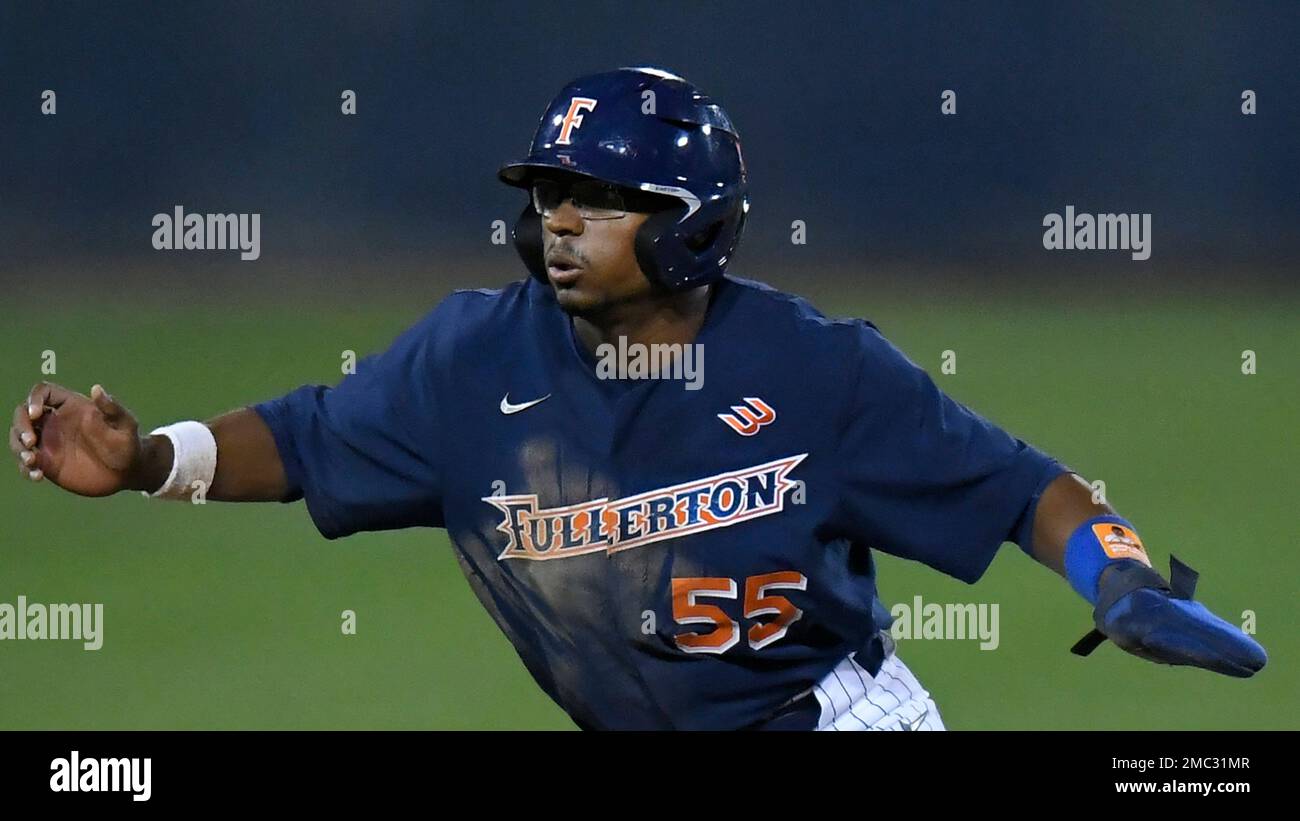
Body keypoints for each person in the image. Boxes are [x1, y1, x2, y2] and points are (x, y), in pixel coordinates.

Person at [9, 67, 1265, 731]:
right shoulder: (466, 363)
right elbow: (299, 439)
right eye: (550, 191)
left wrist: (1117, 574)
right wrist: (145, 458)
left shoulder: (818, 369)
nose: (560, 218)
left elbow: (1020, 490)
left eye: (601, 199)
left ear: (693, 231)